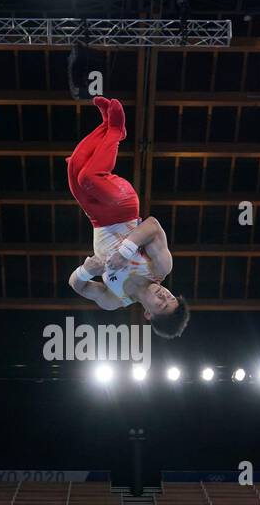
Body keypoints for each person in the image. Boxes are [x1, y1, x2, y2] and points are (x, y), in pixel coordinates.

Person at [66, 96, 189, 338]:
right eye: (171, 297)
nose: (164, 296)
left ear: (148, 315)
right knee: (88, 177)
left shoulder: (115, 299)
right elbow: (152, 225)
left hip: (97, 219)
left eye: (163, 305)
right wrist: (124, 254)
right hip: (123, 206)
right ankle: (116, 130)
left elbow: (76, 285)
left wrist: (86, 270)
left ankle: (106, 124)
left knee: (74, 171)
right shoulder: (160, 267)